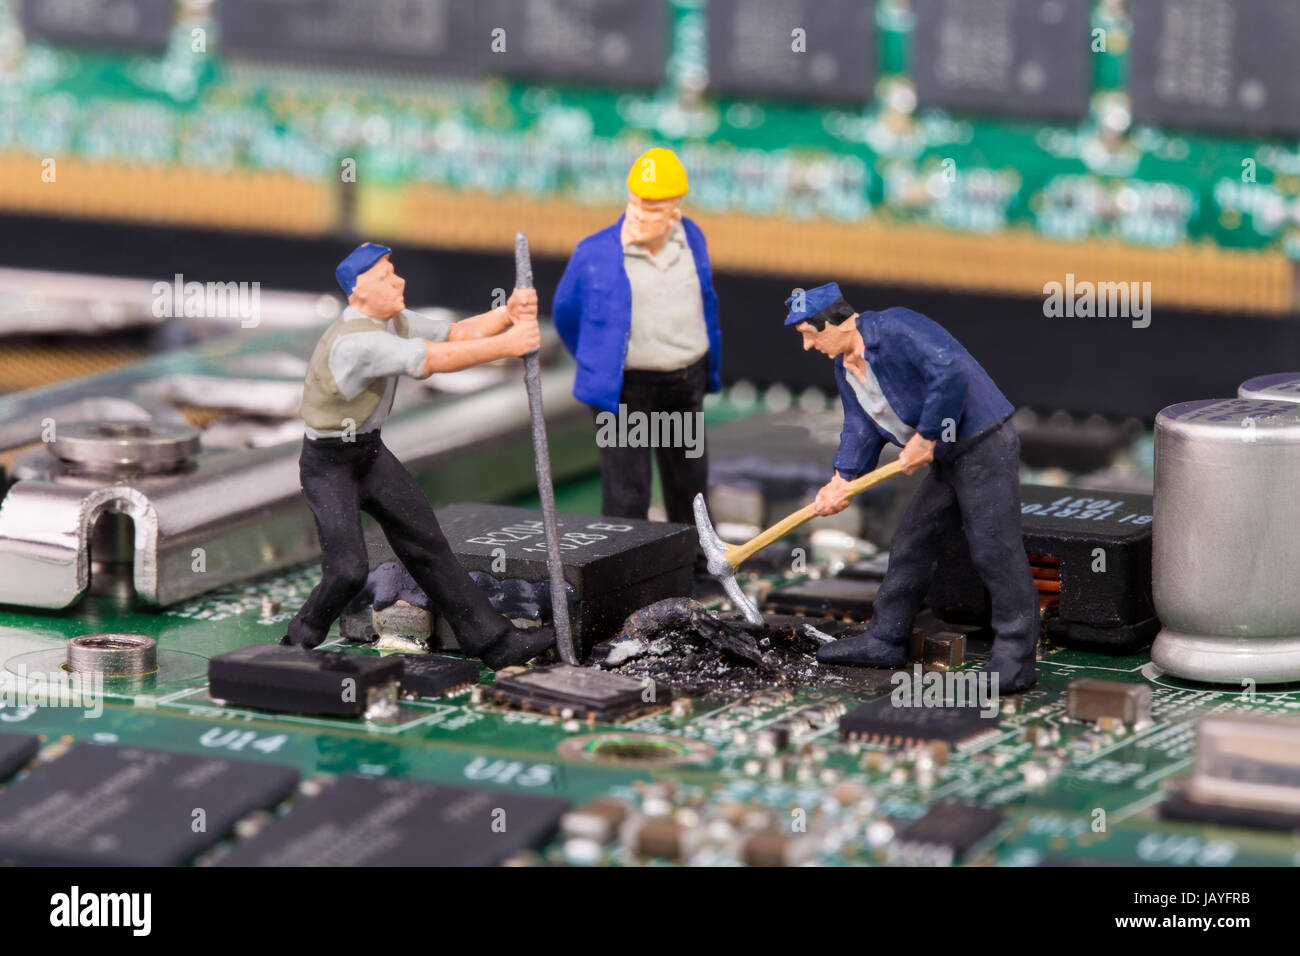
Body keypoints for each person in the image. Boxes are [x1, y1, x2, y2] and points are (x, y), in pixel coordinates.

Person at [284, 242, 555, 669]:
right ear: (359, 292)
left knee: (428, 544)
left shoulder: (395, 321)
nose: (399, 280)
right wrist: (510, 345)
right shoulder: (356, 343)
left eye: (395, 272)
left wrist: (506, 316)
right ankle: (296, 644)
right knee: (349, 570)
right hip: (329, 463)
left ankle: (495, 643)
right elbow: (434, 360)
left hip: (370, 453)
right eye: (386, 277)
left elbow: (455, 333)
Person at [789, 282, 1039, 692]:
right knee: (910, 542)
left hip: (981, 443)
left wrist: (927, 436)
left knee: (995, 550)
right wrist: (842, 478)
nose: (807, 346)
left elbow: (950, 371)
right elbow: (860, 425)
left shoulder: (896, 328)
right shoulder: (845, 367)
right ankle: (886, 639)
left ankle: (1015, 661)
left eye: (809, 334)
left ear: (835, 323)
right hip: (947, 459)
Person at [553, 147, 722, 526]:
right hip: (627, 388)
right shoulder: (595, 253)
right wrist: (599, 361)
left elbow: (706, 300)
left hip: (684, 381)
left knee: (690, 482)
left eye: (653, 208)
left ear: (674, 211)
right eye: (636, 203)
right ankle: (624, 576)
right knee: (627, 491)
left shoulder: (692, 239)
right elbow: (566, 313)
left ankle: (695, 562)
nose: (640, 215)